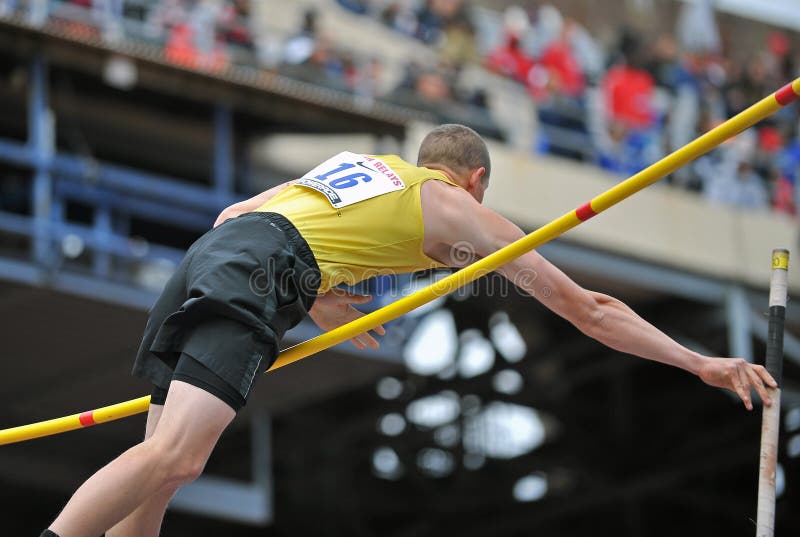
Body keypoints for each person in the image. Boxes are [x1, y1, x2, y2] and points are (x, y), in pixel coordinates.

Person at [42, 124, 777, 537]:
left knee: (155, 484)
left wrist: (318, 295)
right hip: (264, 266)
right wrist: (696, 360)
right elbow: (589, 309)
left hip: (219, 259)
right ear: (477, 179)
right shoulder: (458, 211)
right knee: (176, 457)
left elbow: (232, 219)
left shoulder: (355, 166)